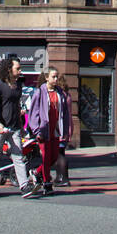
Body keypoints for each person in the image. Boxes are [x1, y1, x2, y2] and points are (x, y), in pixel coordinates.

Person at [0, 56, 34, 196]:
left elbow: (15, 106)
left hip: (14, 128)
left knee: (18, 156)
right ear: (9, 69)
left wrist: (20, 126)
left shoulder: (18, 85)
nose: (20, 71)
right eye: (17, 68)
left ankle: (24, 186)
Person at [25, 66, 72, 196]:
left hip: (56, 129)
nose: (56, 79)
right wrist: (36, 130)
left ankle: (36, 172)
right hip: (43, 130)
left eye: (57, 76)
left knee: (54, 157)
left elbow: (65, 114)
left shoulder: (60, 93)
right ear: (46, 77)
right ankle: (47, 183)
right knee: (46, 157)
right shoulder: (39, 92)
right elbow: (33, 113)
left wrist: (66, 130)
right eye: (53, 76)